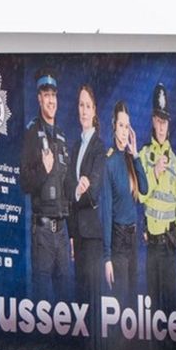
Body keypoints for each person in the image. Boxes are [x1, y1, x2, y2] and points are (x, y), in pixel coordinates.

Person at [20, 68, 72, 302]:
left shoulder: (61, 137)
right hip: (42, 232)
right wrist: (44, 169)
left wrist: (70, 233)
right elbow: (24, 182)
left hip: (62, 232)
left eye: (54, 95)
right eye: (46, 95)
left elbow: (66, 189)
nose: (51, 100)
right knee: (43, 306)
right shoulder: (32, 134)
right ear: (39, 98)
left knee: (66, 306)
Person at [139, 84, 176, 313]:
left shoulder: (175, 162)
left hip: (167, 246)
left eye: (165, 122)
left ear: (169, 125)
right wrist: (155, 173)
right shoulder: (144, 155)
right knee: (150, 306)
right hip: (150, 247)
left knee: (169, 307)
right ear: (152, 121)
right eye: (158, 121)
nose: (161, 127)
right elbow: (139, 196)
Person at [101, 100, 148, 305]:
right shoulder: (109, 162)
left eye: (127, 126)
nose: (123, 131)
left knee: (132, 301)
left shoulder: (130, 159)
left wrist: (136, 154)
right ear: (114, 125)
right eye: (121, 125)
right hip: (118, 239)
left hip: (133, 237)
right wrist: (107, 258)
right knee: (121, 301)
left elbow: (144, 189)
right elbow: (106, 212)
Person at [67, 85, 105, 310]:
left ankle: (95, 347)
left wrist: (79, 191)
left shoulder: (99, 148)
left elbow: (93, 193)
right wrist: (77, 189)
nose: (84, 110)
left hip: (92, 235)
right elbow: (68, 189)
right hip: (78, 235)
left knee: (92, 299)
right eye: (81, 105)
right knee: (80, 300)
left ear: (94, 111)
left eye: (88, 106)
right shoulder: (74, 148)